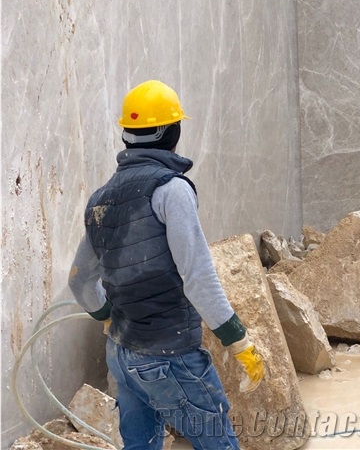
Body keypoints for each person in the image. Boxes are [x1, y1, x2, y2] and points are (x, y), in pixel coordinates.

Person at [69, 80, 264, 450]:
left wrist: (109, 316)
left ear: (127, 136)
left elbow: (79, 281)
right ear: (173, 132)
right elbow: (197, 276)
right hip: (170, 355)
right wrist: (238, 340)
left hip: (122, 356)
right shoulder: (172, 190)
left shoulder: (101, 199)